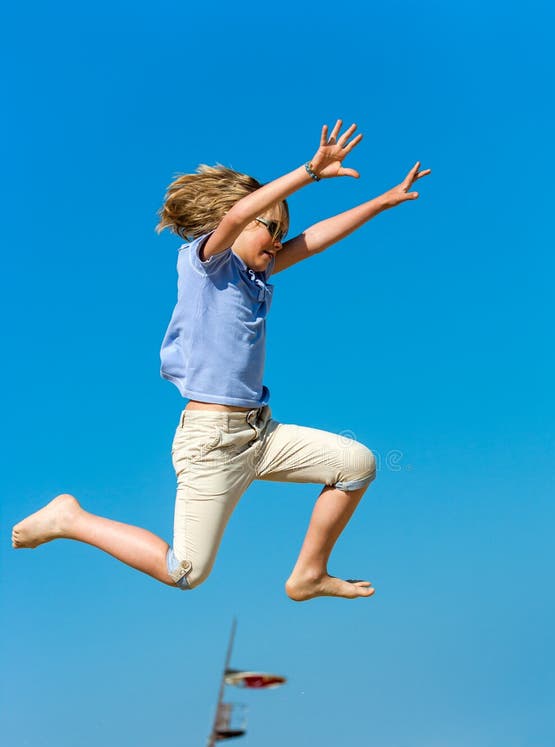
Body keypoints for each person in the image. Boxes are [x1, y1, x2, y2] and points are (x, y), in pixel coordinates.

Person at [12, 120, 429, 601]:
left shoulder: (256, 278)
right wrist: (309, 172)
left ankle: (309, 574)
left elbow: (313, 239)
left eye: (281, 234)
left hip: (261, 435)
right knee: (186, 571)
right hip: (210, 444)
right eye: (271, 228)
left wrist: (380, 202)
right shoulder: (206, 262)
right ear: (235, 217)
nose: (277, 242)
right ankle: (71, 518)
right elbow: (235, 221)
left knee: (357, 463)